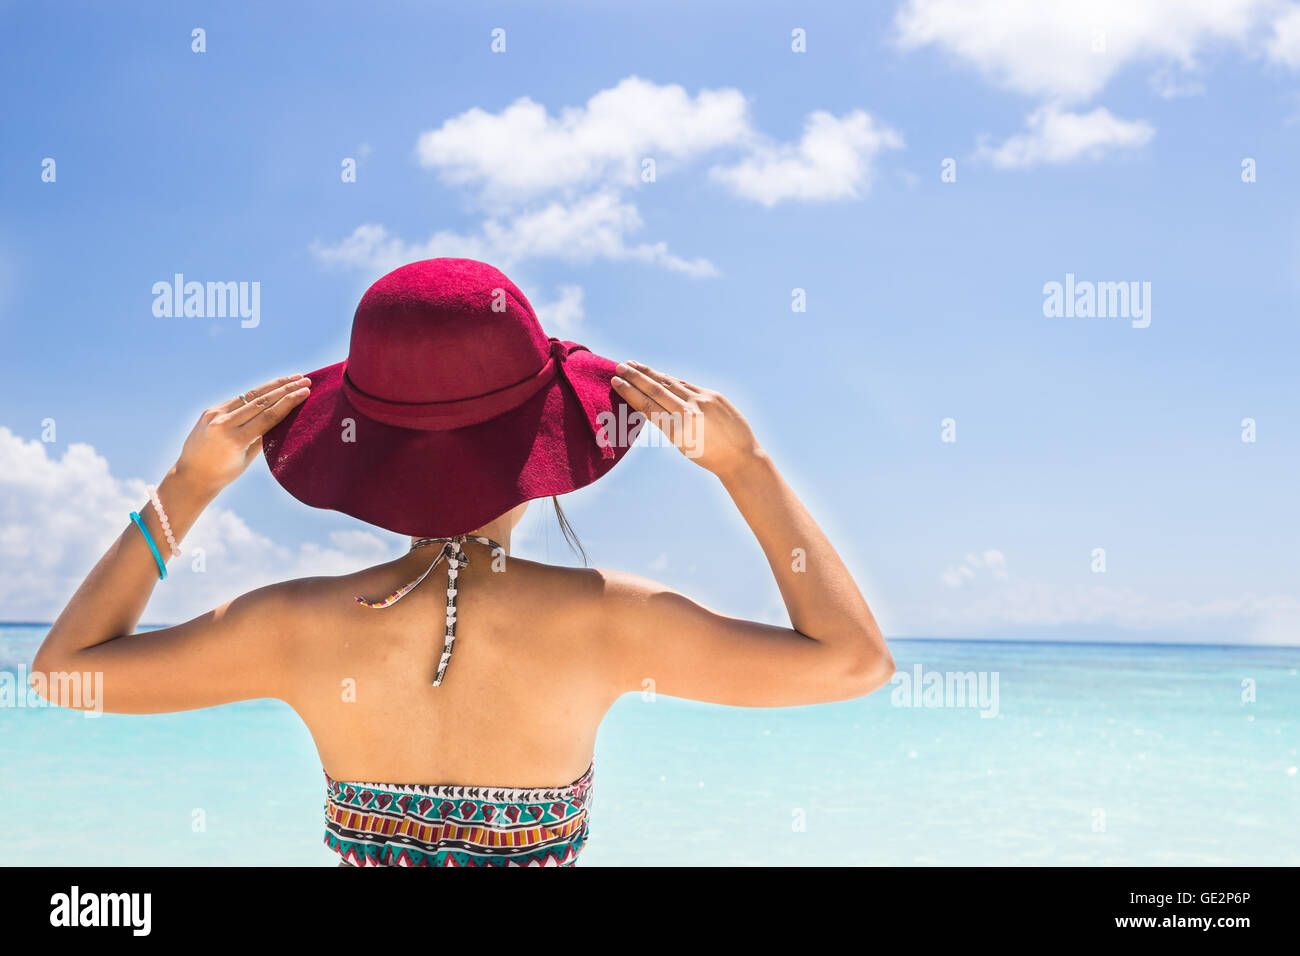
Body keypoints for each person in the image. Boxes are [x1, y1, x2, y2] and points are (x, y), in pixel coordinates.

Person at [32, 258, 894, 867]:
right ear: (548, 444)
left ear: (362, 450)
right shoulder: (612, 621)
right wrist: (746, 468)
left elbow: (66, 673)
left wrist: (185, 488)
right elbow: (852, 662)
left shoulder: (288, 625)